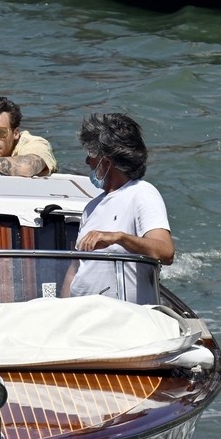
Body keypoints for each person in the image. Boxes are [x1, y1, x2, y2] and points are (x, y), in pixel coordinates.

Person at [65, 113, 174, 300]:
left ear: (106, 162)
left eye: (91, 155)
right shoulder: (91, 207)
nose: (87, 161)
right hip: (82, 318)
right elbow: (74, 271)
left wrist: (119, 238)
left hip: (122, 318)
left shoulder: (141, 193)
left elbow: (165, 251)